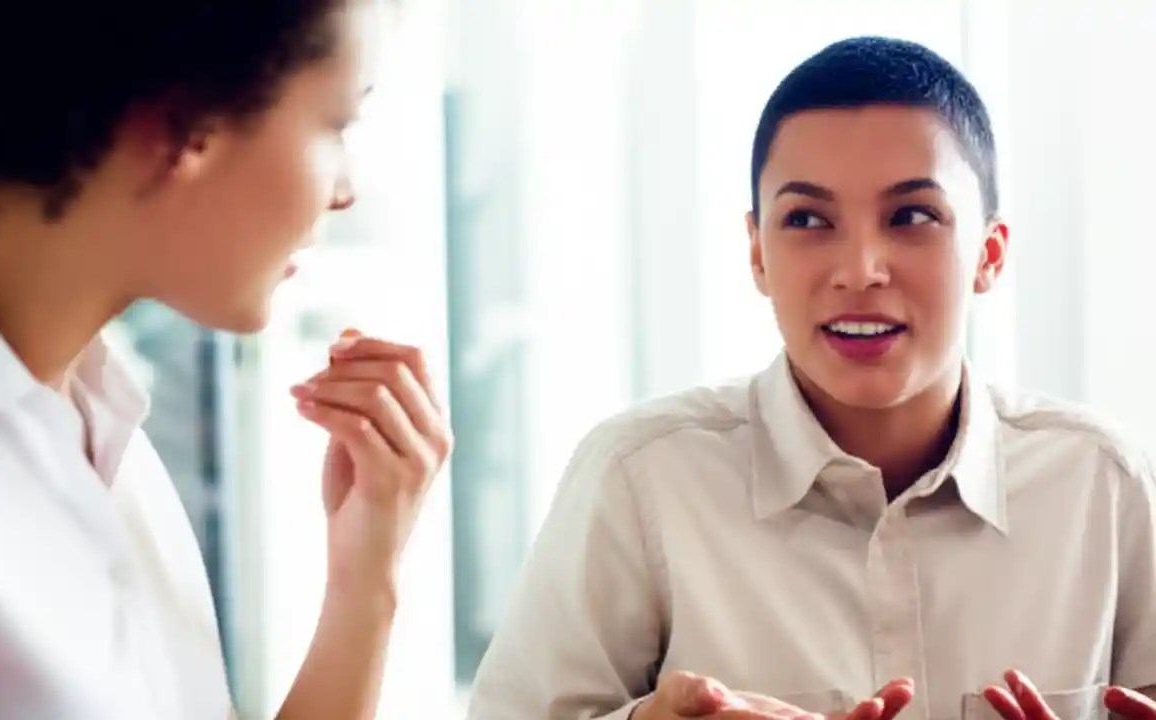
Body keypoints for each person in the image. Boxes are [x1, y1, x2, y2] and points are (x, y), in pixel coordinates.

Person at [467, 36, 1156, 720]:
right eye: (807, 219)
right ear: (757, 253)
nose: (860, 270)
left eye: (912, 216)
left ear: (989, 254)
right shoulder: (639, 478)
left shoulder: (1104, 484)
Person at [0, 1, 452, 718]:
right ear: (185, 125)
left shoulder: (96, 424)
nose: (345, 192)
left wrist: (365, 582)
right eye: (337, 125)